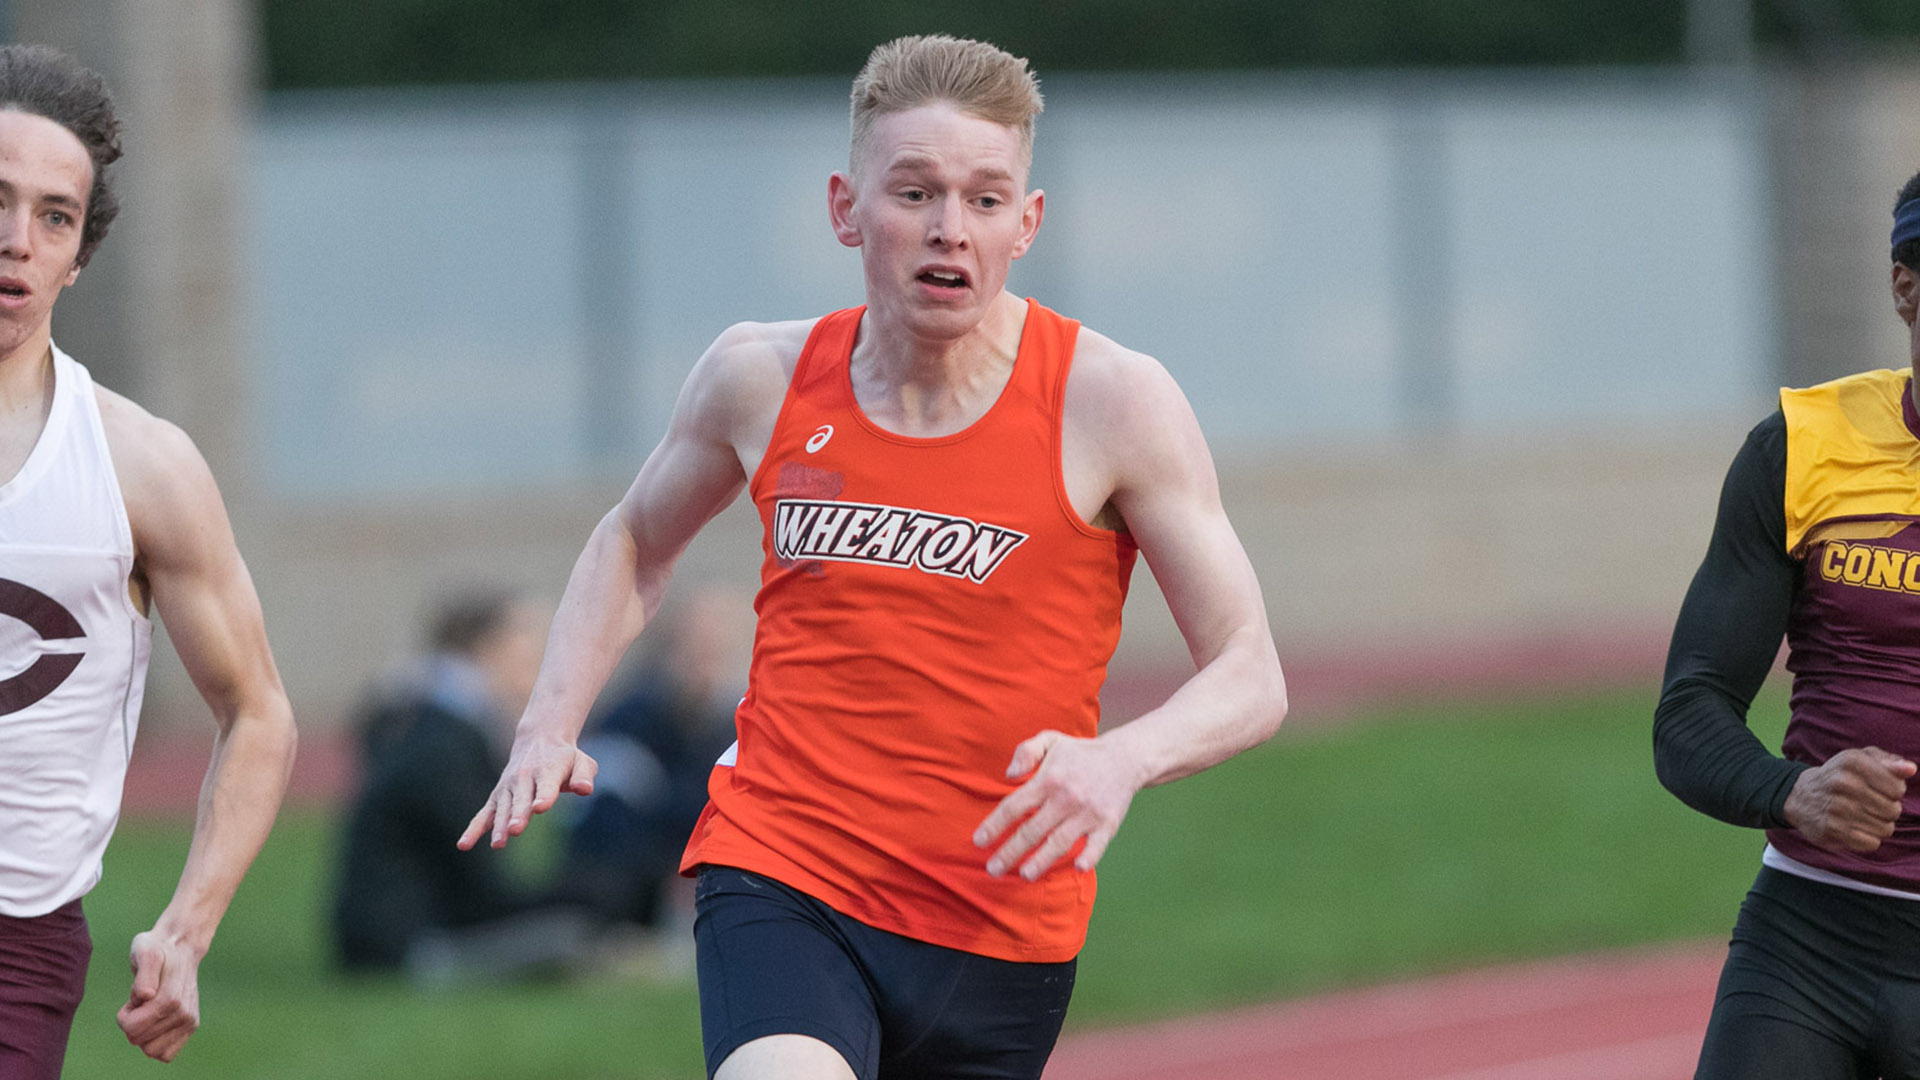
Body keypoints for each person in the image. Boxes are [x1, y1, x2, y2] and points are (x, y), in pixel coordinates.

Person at [461, 34, 1287, 1080]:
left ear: (1026, 225)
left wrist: (1119, 761)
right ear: (847, 209)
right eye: (916, 193)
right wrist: (549, 720)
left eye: (986, 200)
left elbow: (1252, 672)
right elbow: (633, 538)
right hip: (784, 870)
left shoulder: (1112, 403)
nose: (950, 230)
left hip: (1000, 926)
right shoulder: (760, 377)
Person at [0, 44, 297, 1073]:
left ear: (80, 255)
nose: (16, 241)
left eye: (53, 215)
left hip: (16, 941)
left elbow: (257, 711)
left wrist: (187, 929)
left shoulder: (141, 466)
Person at [1655, 171, 1920, 1079]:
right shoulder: (1804, 448)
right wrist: (1791, 791)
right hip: (1812, 938)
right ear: (1904, 286)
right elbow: (1689, 713)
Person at [332, 589, 592, 983]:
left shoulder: (430, 718)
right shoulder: (445, 738)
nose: (544, 653)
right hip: (410, 946)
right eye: (528, 637)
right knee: (571, 935)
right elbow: (480, 883)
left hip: (398, 933)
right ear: (488, 648)